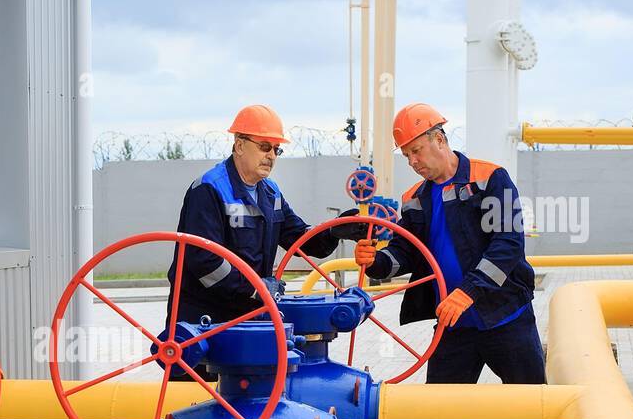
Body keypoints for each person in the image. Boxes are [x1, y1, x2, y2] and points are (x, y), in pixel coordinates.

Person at [165, 105, 368, 379]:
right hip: (203, 324)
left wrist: (335, 231)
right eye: (264, 146)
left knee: (247, 401)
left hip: (248, 322)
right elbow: (205, 263)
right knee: (197, 405)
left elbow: (299, 238)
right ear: (239, 145)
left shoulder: (270, 193)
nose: (271, 156)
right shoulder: (210, 189)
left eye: (276, 149)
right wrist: (255, 287)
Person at [355, 103, 546, 384]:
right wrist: (376, 261)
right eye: (407, 155)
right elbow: (405, 252)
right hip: (454, 324)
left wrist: (468, 292)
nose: (412, 162)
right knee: (439, 412)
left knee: (533, 404)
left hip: (505, 318)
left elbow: (508, 244)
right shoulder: (414, 198)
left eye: (416, 151)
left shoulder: (489, 179)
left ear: (440, 140)